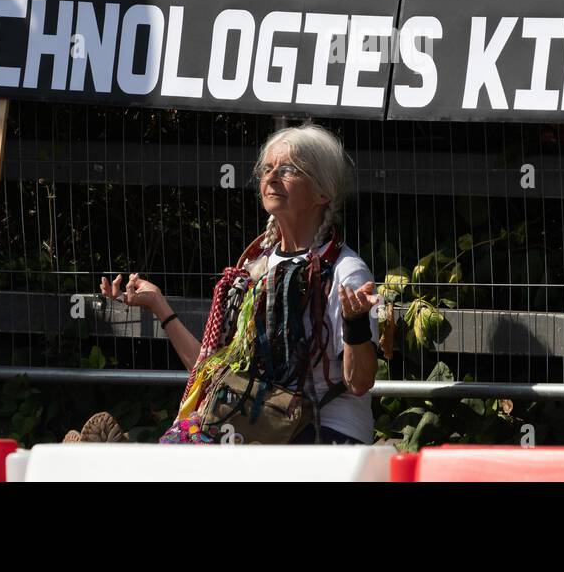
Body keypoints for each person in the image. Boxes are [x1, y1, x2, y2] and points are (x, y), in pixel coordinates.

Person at [101, 123, 380, 444]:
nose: (272, 177)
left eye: (288, 169)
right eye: (267, 169)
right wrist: (158, 305)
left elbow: (359, 383)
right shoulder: (255, 266)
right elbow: (210, 372)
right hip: (258, 420)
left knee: (191, 454)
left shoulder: (346, 271)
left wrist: (356, 325)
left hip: (324, 430)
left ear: (323, 191)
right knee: (181, 445)